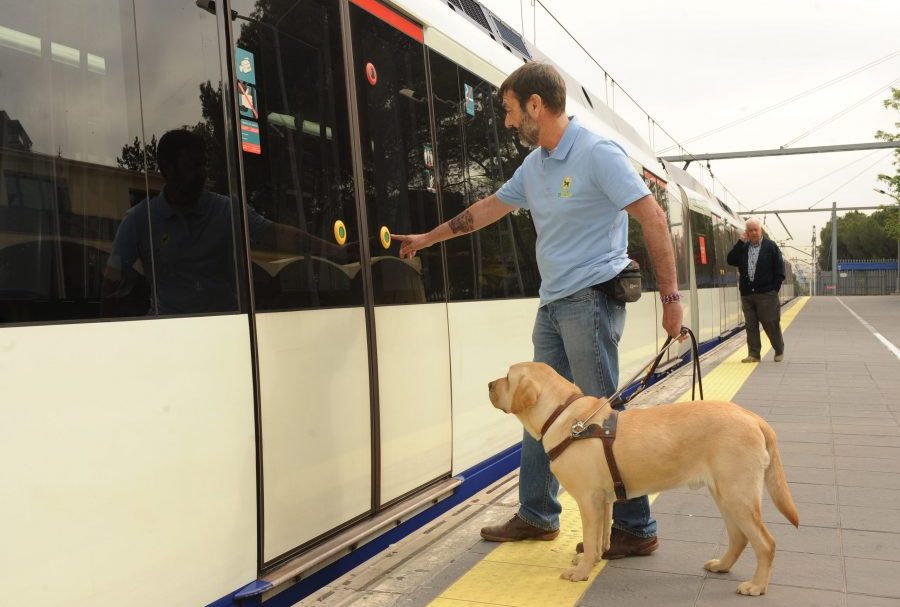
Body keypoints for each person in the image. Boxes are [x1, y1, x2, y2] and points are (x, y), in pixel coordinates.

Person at [393, 62, 683, 559]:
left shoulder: (597, 153)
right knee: (531, 407)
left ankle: (636, 526)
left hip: (591, 299)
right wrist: (428, 238)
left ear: (535, 105)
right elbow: (485, 210)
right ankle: (536, 514)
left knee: (599, 415)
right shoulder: (536, 165)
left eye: (510, 110)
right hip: (553, 304)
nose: (508, 122)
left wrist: (671, 298)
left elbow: (653, 217)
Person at [103, 129, 343, 315]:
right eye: (192, 165)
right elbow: (112, 282)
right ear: (167, 168)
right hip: (169, 334)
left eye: (203, 164)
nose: (202, 173)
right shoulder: (139, 220)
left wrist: (336, 252)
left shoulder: (226, 210)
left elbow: (278, 235)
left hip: (227, 327)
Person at [727, 218, 786, 363]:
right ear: (746, 232)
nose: (753, 233)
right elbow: (731, 260)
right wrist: (740, 242)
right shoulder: (744, 247)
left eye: (756, 230)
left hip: (767, 294)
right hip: (747, 294)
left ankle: (779, 349)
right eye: (750, 230)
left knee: (770, 323)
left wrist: (774, 289)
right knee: (751, 325)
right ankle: (754, 354)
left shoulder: (770, 246)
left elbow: (780, 269)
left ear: (760, 231)